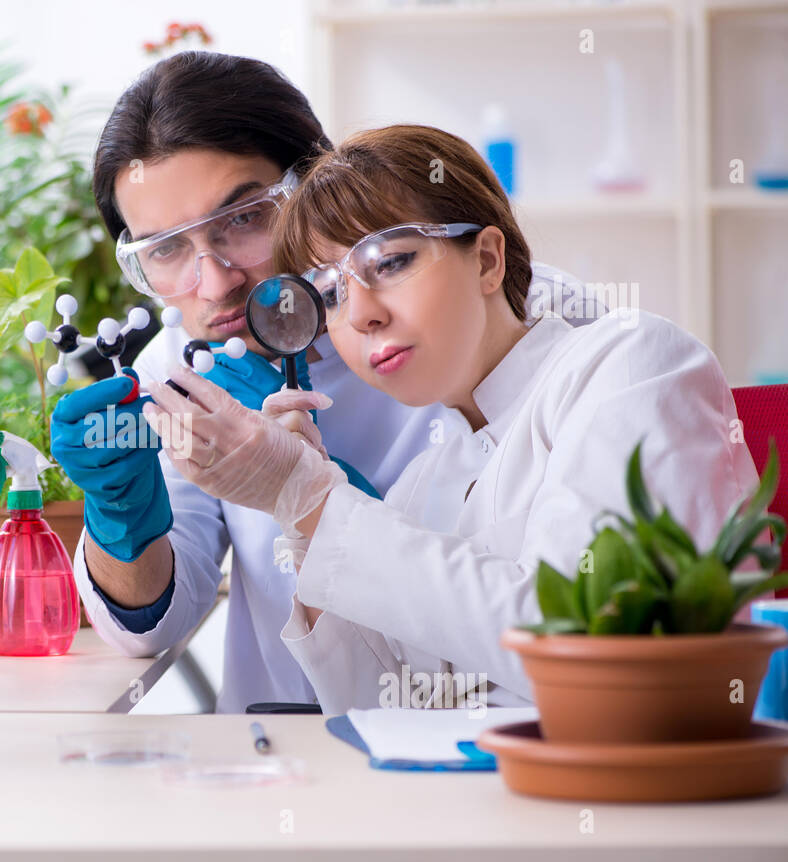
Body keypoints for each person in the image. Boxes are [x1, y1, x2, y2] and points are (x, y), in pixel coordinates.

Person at [140, 124, 759, 712]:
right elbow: (374, 702)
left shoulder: (633, 364)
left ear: (488, 259)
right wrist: (300, 518)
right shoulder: (430, 473)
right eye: (329, 293)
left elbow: (597, 658)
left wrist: (314, 503)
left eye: (389, 263)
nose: (360, 315)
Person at [51, 52, 600, 713]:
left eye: (245, 218)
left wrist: (306, 483)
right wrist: (120, 516)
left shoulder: (489, 319)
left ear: (314, 183)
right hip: (289, 740)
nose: (217, 280)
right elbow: (154, 626)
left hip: (477, 734)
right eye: (166, 249)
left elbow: (516, 612)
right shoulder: (180, 367)